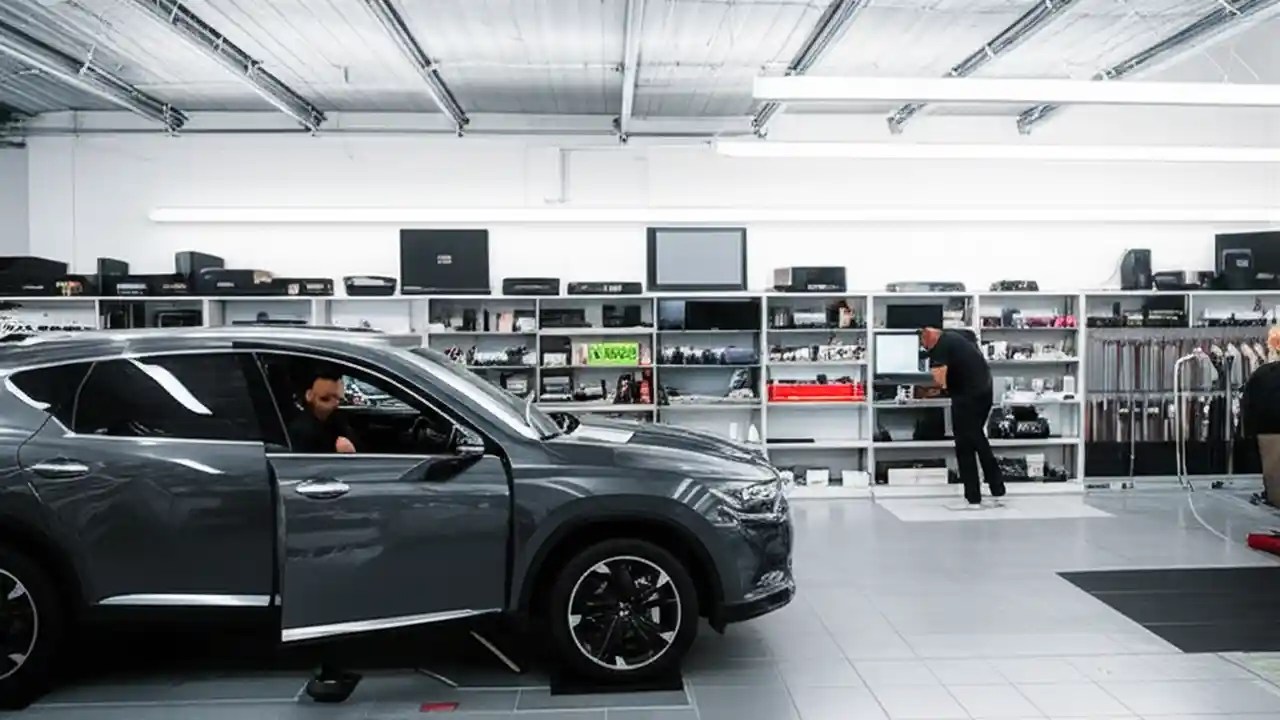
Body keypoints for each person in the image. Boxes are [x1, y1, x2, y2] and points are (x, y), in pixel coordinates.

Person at [920, 326, 1006, 509]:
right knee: (975, 437)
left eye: (923, 342)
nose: (923, 346)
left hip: (967, 396)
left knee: (965, 442)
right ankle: (993, 486)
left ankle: (977, 493)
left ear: (928, 335)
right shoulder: (955, 338)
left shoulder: (940, 346)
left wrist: (925, 389)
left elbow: (939, 381)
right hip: (985, 391)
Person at [1242, 326, 1280, 504]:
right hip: (1267, 424)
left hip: (1267, 427)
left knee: (1272, 472)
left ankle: (1273, 498)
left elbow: (1250, 402)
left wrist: (1248, 432)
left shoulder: (1261, 373)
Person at [288, 366, 359, 454]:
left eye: (339, 399)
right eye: (325, 399)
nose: (334, 404)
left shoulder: (338, 420)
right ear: (309, 396)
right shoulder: (302, 431)